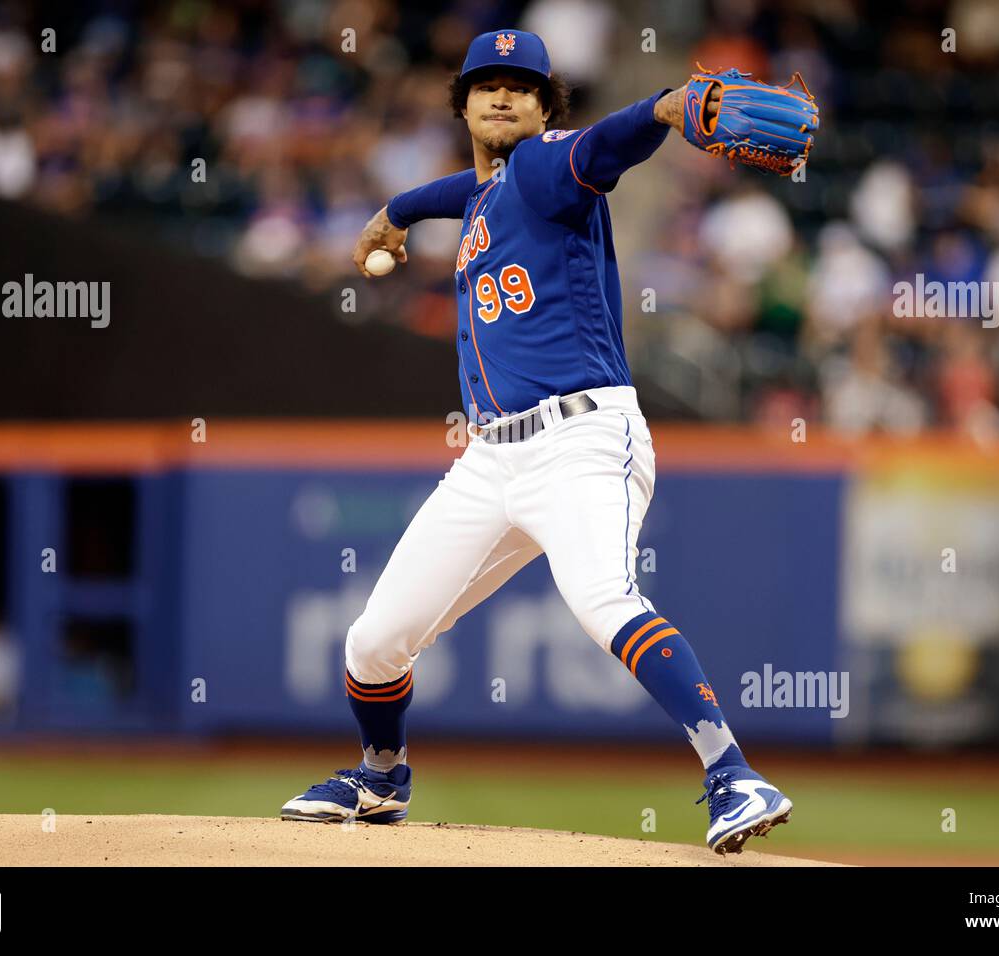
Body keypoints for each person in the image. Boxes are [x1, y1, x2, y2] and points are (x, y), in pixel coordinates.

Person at [281, 29, 794, 854]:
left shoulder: (548, 164)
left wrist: (665, 107)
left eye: (523, 85)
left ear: (545, 106)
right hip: (490, 459)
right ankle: (381, 777)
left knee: (603, 601)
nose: (504, 94)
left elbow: (602, 144)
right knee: (373, 642)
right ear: (465, 102)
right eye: (488, 82)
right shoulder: (489, 194)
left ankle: (732, 770)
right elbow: (464, 190)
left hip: (583, 440)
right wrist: (396, 213)